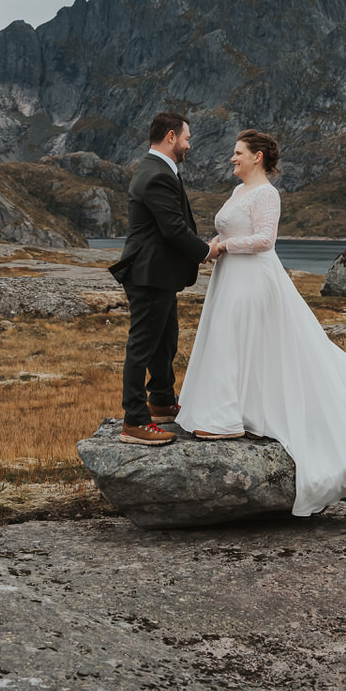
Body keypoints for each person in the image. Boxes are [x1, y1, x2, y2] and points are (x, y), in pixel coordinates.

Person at [177, 130, 346, 521]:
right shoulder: (238, 193)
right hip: (230, 276)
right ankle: (229, 412)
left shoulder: (267, 193)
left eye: (238, 153)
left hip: (253, 278)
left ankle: (234, 417)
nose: (231, 158)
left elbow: (264, 241)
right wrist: (213, 246)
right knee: (227, 340)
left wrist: (222, 247)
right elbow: (234, 230)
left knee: (240, 339)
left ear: (258, 156)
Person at [109, 112, 213, 445]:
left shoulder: (158, 170)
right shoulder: (155, 174)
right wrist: (206, 251)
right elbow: (173, 228)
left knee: (164, 342)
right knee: (141, 348)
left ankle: (162, 401)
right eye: (186, 137)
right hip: (148, 275)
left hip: (158, 275)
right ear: (171, 136)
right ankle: (135, 421)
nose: (189, 144)